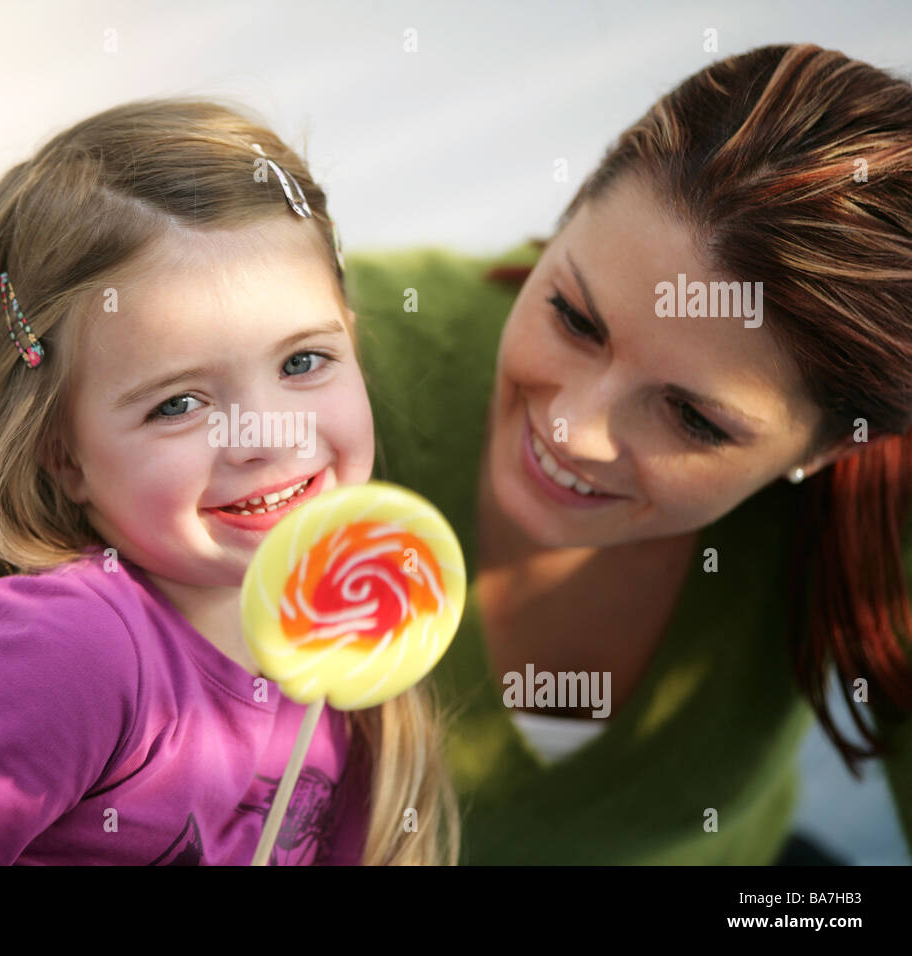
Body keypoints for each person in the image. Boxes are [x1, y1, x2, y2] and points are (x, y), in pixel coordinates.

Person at [0, 98, 459, 866]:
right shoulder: (73, 647)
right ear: (62, 454)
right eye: (180, 403)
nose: (268, 436)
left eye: (302, 361)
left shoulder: (350, 672)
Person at [344, 43, 912, 865]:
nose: (574, 429)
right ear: (565, 216)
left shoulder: (880, 510)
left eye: (691, 417)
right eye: (576, 318)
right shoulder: (317, 368)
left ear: (827, 450)